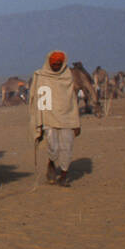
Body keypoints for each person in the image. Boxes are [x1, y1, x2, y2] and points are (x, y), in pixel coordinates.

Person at [29, 50, 81, 187]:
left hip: (67, 117)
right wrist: (39, 120)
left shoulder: (68, 76)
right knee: (53, 147)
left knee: (67, 147)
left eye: (59, 63)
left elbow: (72, 99)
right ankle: (51, 163)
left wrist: (76, 122)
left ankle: (64, 175)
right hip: (48, 116)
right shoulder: (41, 76)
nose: (56, 66)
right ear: (49, 63)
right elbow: (38, 99)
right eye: (54, 64)